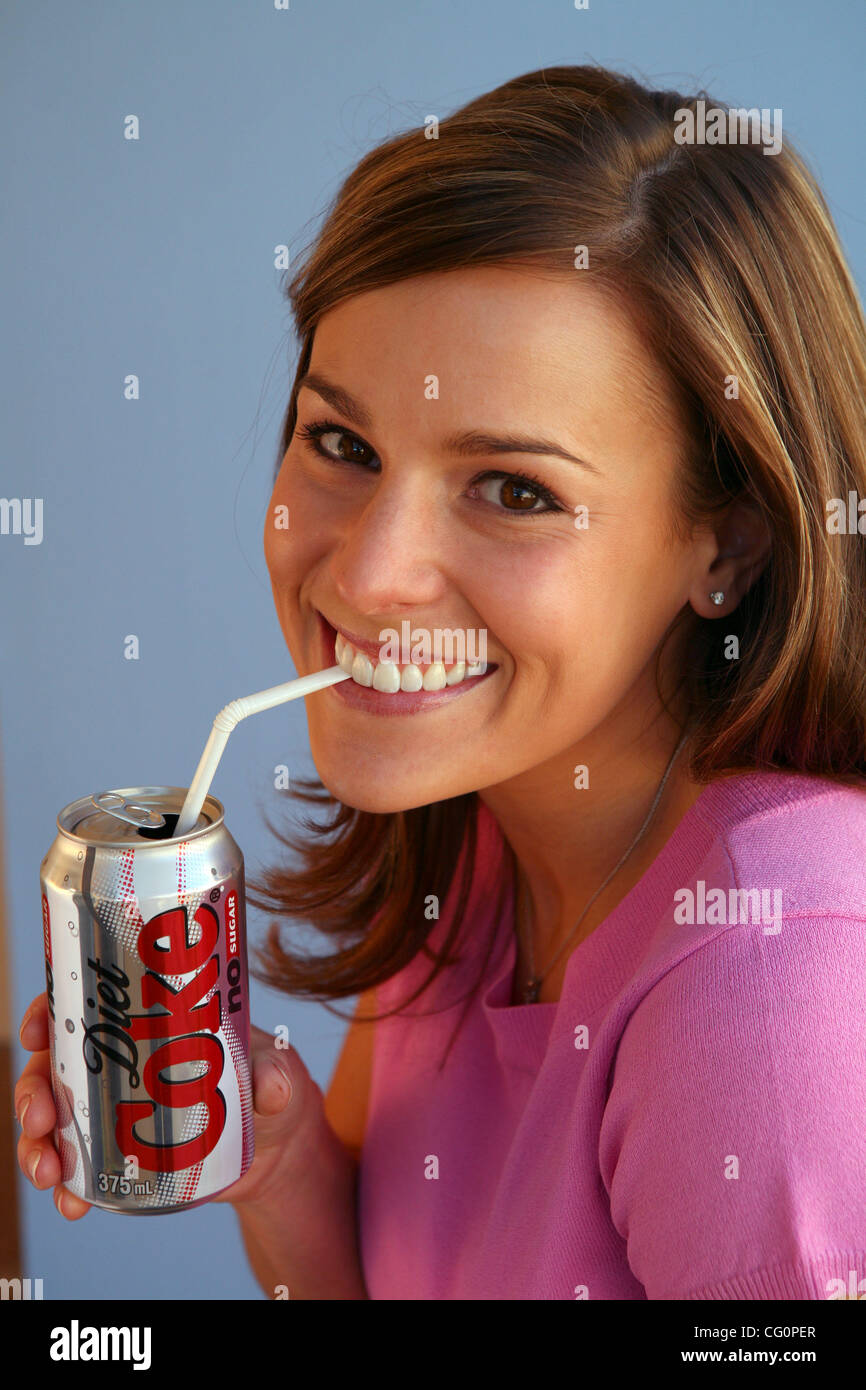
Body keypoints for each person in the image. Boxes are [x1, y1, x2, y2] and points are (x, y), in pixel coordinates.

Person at [16, 64, 866, 1300]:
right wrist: (287, 1168)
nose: (367, 576)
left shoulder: (772, 995)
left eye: (514, 490)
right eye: (342, 444)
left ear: (722, 547)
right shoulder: (479, 833)